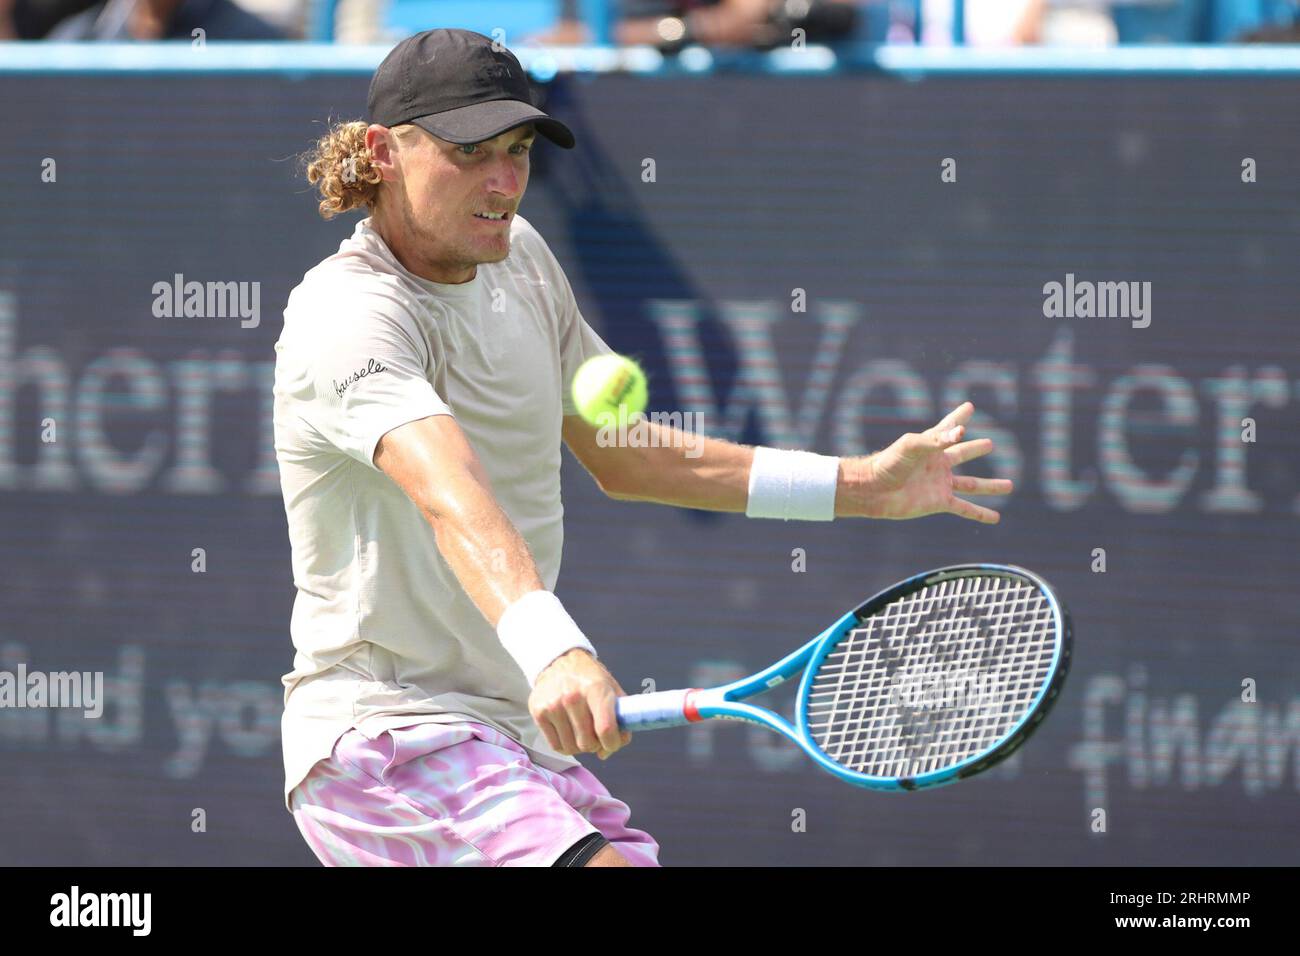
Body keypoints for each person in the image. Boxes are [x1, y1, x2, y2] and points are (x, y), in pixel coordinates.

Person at [276, 28, 1013, 867]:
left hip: (510, 734)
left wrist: (860, 486)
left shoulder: (523, 262)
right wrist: (557, 652)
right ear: (384, 151)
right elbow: (451, 491)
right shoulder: (348, 316)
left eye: (517, 151)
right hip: (386, 733)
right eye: (471, 151)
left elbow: (630, 455)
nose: (504, 182)